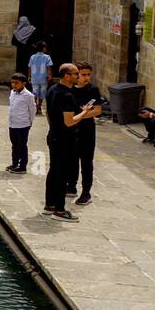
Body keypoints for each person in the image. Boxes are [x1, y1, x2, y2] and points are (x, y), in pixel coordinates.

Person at [44, 64, 100, 221]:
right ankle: (60, 211)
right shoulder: (67, 95)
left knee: (53, 171)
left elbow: (48, 112)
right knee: (62, 174)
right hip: (65, 139)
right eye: (76, 74)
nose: (78, 76)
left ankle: (50, 205)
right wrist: (84, 112)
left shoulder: (52, 89)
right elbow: (69, 121)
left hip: (54, 135)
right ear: (67, 76)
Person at [66, 62, 103, 205]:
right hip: (72, 129)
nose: (86, 78)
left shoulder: (92, 90)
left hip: (87, 130)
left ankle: (86, 192)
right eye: (83, 75)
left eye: (88, 75)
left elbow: (97, 110)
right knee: (72, 159)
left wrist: (80, 114)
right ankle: (71, 186)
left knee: (86, 161)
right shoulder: (69, 90)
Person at [7, 72, 36, 173]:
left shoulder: (29, 96)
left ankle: (22, 166)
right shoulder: (12, 93)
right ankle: (15, 163)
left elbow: (32, 110)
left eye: (17, 83)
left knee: (22, 145)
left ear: (23, 84)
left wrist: (30, 122)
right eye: (13, 82)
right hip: (12, 123)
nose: (14, 85)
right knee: (14, 145)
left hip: (23, 124)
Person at [28, 41, 53, 112]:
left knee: (35, 92)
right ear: (43, 48)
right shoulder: (47, 57)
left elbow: (29, 67)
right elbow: (49, 68)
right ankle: (39, 106)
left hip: (34, 78)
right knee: (42, 92)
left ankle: (35, 105)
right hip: (43, 78)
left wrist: (29, 76)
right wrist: (49, 75)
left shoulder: (32, 57)